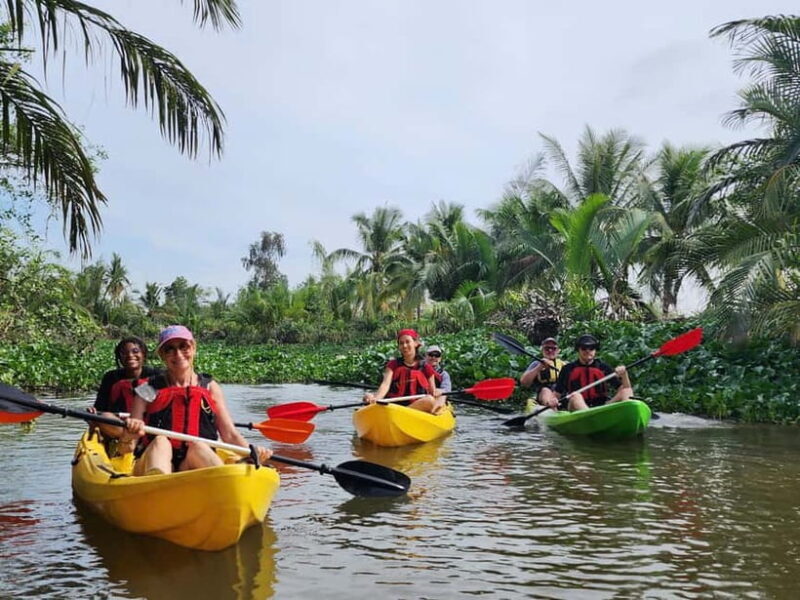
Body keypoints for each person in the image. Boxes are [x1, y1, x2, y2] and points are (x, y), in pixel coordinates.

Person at [123, 325, 272, 475]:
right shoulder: (148, 388)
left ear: (193, 348)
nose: (178, 354)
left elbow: (229, 434)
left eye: (184, 346)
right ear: (162, 355)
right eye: (169, 349)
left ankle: (222, 480)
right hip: (153, 461)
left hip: (189, 464)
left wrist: (252, 453)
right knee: (161, 441)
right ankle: (159, 480)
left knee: (199, 445)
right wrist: (130, 433)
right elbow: (128, 446)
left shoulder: (210, 387)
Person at [91, 336, 161, 444]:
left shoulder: (157, 376)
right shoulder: (111, 377)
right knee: (103, 417)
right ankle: (127, 441)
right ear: (119, 357)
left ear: (143, 354)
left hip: (148, 426)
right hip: (120, 427)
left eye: (135, 351)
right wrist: (93, 413)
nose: (130, 355)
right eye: (124, 353)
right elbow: (100, 408)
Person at [362, 329, 445, 414]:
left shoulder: (426, 367)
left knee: (429, 401)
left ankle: (399, 414)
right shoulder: (393, 364)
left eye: (407, 342)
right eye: (401, 343)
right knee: (367, 396)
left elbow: (432, 392)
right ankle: (396, 414)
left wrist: (437, 393)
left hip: (417, 407)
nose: (404, 346)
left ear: (415, 343)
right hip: (393, 406)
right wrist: (376, 399)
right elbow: (385, 385)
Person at [554, 334, 633, 411]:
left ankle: (628, 416)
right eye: (584, 348)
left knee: (627, 391)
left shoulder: (603, 367)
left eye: (591, 348)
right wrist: (553, 402)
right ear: (578, 350)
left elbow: (624, 388)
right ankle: (590, 415)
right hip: (575, 408)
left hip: (601, 407)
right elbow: (557, 394)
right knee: (575, 396)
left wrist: (624, 375)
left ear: (595, 350)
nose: (588, 351)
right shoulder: (568, 369)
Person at [520, 337, 565, 410]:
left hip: (560, 394)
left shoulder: (564, 365)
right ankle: (553, 411)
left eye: (553, 348)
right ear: (542, 350)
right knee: (545, 390)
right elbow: (524, 383)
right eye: (547, 348)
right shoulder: (536, 364)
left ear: (558, 351)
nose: (550, 350)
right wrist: (540, 367)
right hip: (543, 395)